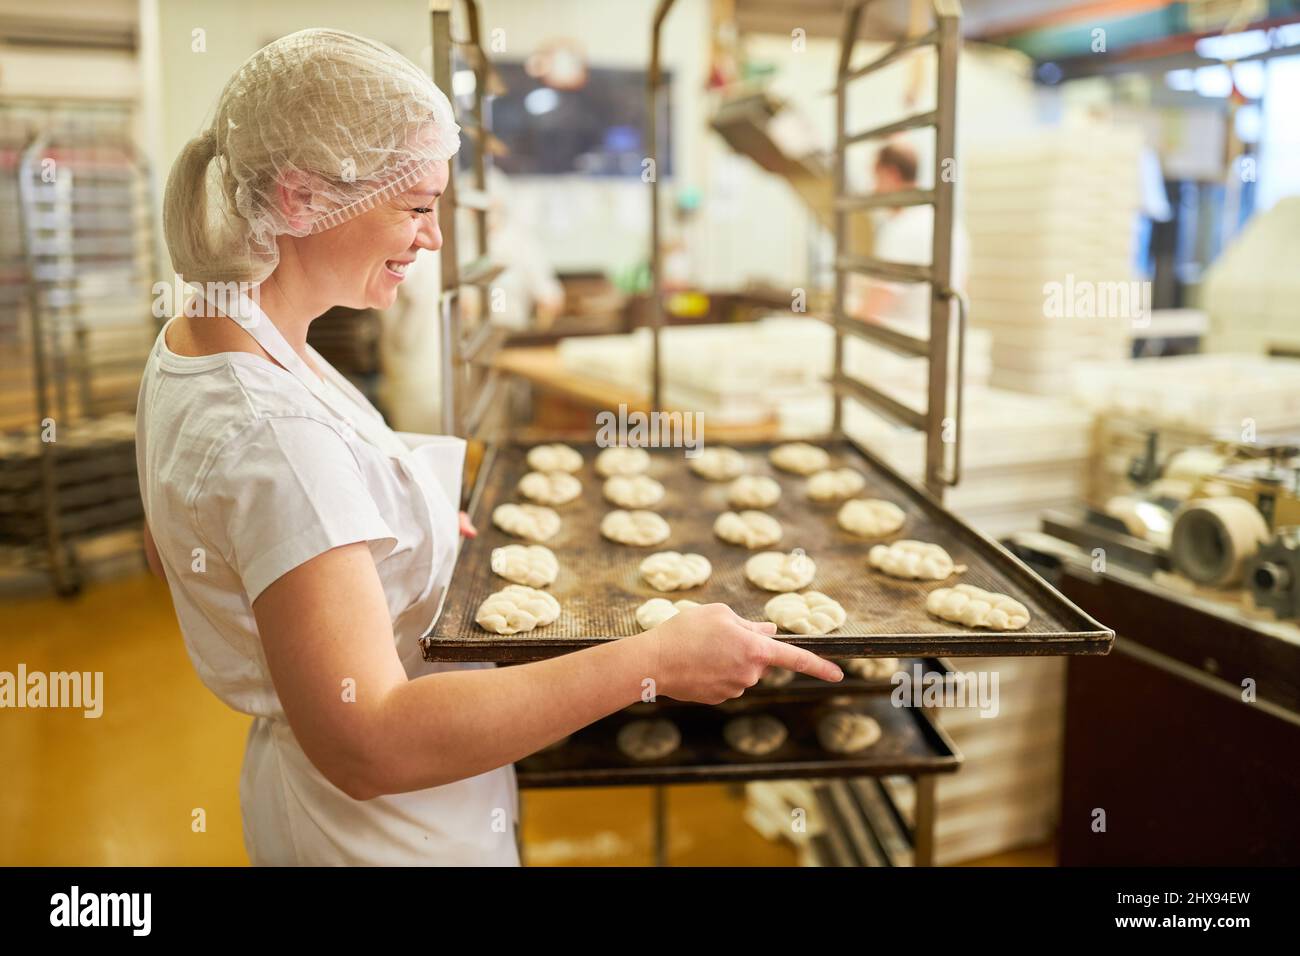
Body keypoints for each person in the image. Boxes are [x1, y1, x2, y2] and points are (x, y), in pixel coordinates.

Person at [137, 28, 841, 867]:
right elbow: (368, 744)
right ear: (298, 199)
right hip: (383, 836)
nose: (434, 239)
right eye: (417, 206)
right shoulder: (273, 431)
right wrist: (652, 661)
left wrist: (384, 546)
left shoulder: (217, 336)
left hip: (395, 807)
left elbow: (187, 546)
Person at [847, 141, 968, 335]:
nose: (874, 189)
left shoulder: (902, 229)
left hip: (907, 345)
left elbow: (872, 312)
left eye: (876, 178)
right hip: (944, 337)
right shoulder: (947, 222)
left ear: (891, 175)